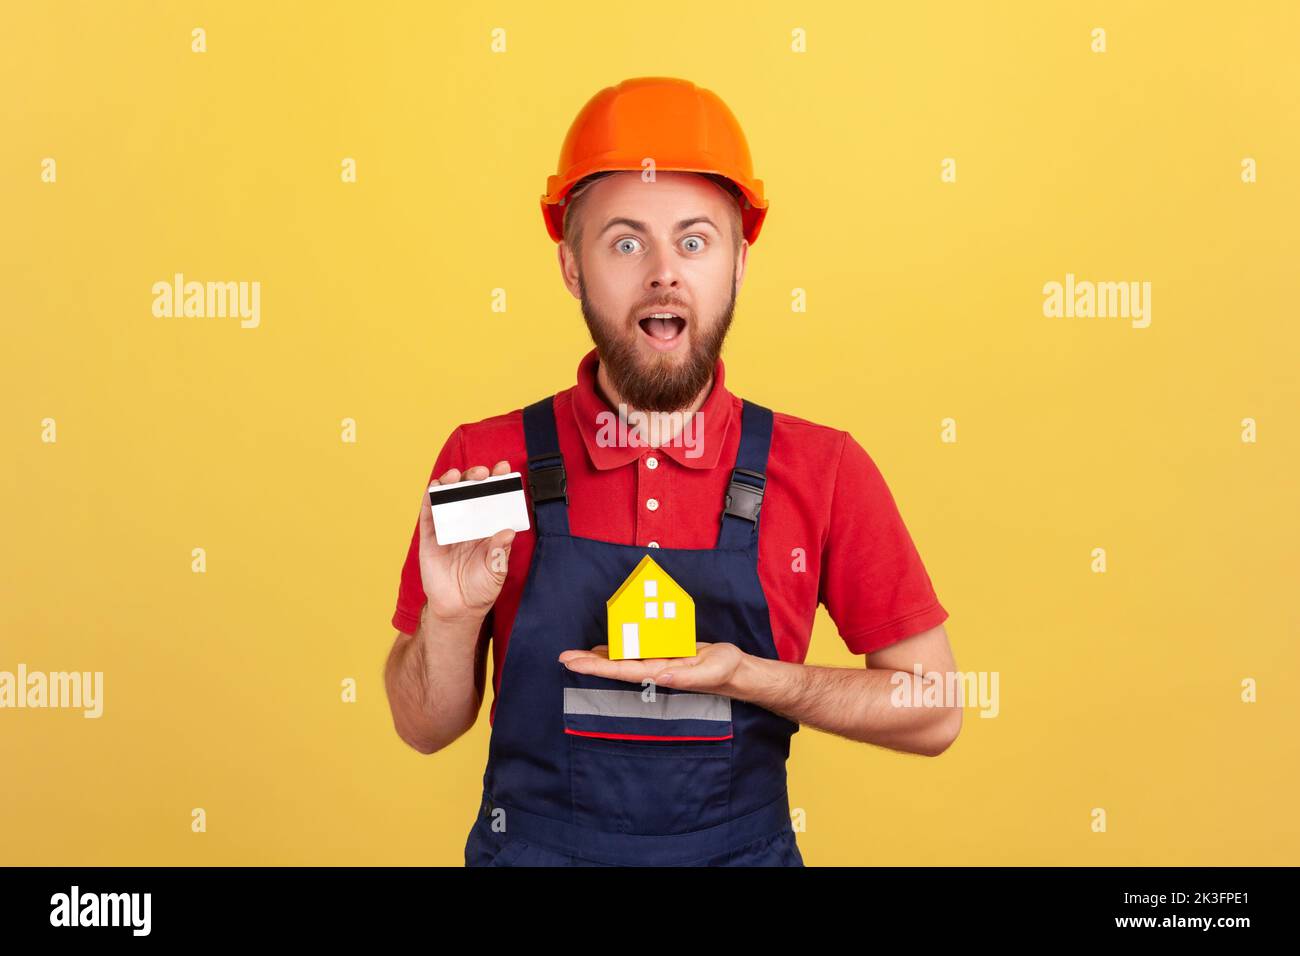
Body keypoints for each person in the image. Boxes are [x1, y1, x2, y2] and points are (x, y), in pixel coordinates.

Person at [384, 77, 959, 867]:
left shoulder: (823, 469)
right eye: (626, 242)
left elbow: (934, 711)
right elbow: (423, 726)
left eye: (694, 241)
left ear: (738, 264)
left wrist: (757, 679)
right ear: (571, 267)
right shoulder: (487, 463)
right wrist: (448, 621)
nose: (664, 273)